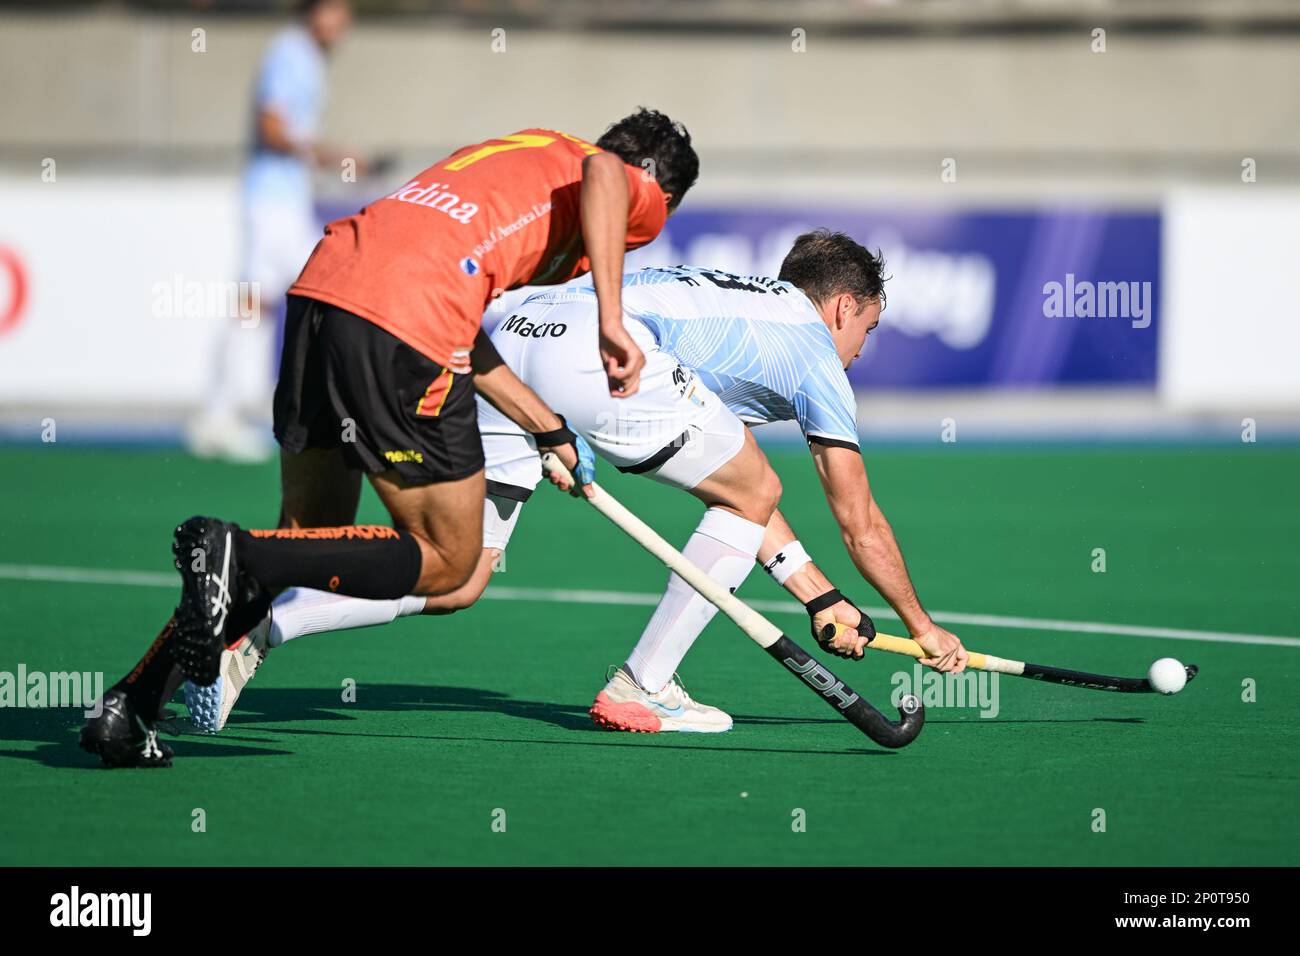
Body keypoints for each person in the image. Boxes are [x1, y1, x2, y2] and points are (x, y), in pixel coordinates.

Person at [80, 109, 700, 767]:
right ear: (657, 190)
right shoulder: (612, 173)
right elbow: (606, 174)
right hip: (404, 323)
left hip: (326, 290)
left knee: (301, 544)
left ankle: (129, 707)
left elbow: (450, 310)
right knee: (450, 559)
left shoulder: (528, 154)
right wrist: (612, 319)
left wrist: (543, 423)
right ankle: (234, 551)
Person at [187, 230, 968, 737]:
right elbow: (855, 519)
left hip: (512, 334)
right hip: (597, 355)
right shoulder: (813, 355)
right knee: (752, 487)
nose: (860, 351)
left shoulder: (741, 309)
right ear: (842, 307)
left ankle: (257, 630)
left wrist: (819, 599)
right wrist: (921, 627)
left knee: (458, 570)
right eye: (866, 329)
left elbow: (737, 492)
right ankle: (645, 683)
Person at [189, 0, 371, 463]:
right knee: (300, 296)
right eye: (336, 10)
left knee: (275, 301)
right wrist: (328, 154)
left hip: (281, 201)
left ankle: (234, 410)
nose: (343, 22)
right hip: (272, 203)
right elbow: (271, 127)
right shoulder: (292, 53)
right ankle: (223, 414)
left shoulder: (301, 56)